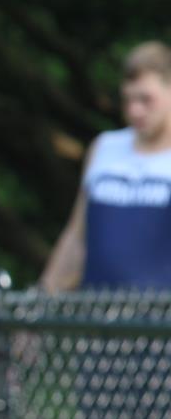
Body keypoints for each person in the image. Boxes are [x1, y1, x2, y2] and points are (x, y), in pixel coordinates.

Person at [39, 41, 171, 291]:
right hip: (99, 307)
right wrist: (41, 300)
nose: (135, 111)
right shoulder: (105, 148)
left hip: (161, 311)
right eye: (128, 100)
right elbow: (77, 237)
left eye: (146, 99)